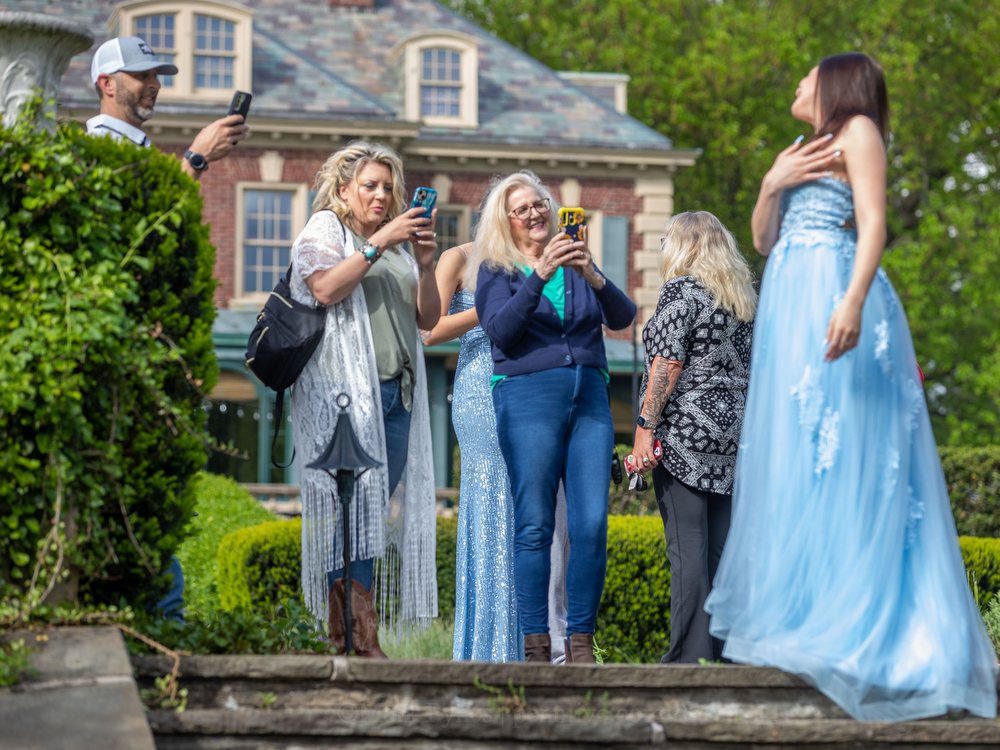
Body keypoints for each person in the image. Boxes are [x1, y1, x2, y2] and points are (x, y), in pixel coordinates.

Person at [704, 53, 998, 720]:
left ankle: (865, 631)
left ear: (835, 84)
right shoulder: (801, 149)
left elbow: (873, 224)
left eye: (808, 75)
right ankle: (806, 620)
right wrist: (770, 184)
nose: (798, 82)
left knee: (844, 460)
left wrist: (854, 300)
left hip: (835, 295)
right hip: (789, 303)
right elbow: (762, 238)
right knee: (797, 465)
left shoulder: (857, 130)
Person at [472, 171, 636, 663]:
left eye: (539, 203)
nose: (535, 213)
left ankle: (581, 642)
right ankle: (537, 645)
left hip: (589, 398)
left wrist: (594, 275)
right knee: (536, 524)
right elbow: (500, 331)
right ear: (506, 221)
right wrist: (540, 273)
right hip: (527, 398)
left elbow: (623, 317)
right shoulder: (495, 270)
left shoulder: (577, 264)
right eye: (521, 208)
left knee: (590, 523)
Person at [289, 141, 440, 658]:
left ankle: (354, 634)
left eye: (387, 186)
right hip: (350, 396)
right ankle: (352, 637)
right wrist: (377, 244)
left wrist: (424, 262)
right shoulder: (326, 231)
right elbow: (324, 288)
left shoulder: (396, 244)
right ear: (344, 190)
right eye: (370, 186)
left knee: (370, 517)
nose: (381, 194)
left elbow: (428, 320)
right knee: (354, 513)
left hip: (397, 395)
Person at [423, 240, 571, 664]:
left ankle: (537, 647)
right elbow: (429, 330)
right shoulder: (460, 258)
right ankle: (489, 650)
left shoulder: (535, 261)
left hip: (533, 388)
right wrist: (499, 307)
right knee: (491, 510)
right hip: (480, 391)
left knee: (532, 514)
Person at [632, 212, 756, 665]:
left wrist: (644, 431)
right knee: (721, 554)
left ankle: (687, 659)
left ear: (682, 246)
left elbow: (666, 367)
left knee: (687, 552)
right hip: (731, 439)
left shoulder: (680, 293)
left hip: (684, 437)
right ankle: (723, 656)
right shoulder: (743, 302)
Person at [88, 37, 248, 178]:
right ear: (108, 84)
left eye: (155, 75)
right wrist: (198, 156)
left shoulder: (128, 145)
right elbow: (156, 209)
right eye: (142, 75)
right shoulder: (98, 147)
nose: (156, 84)